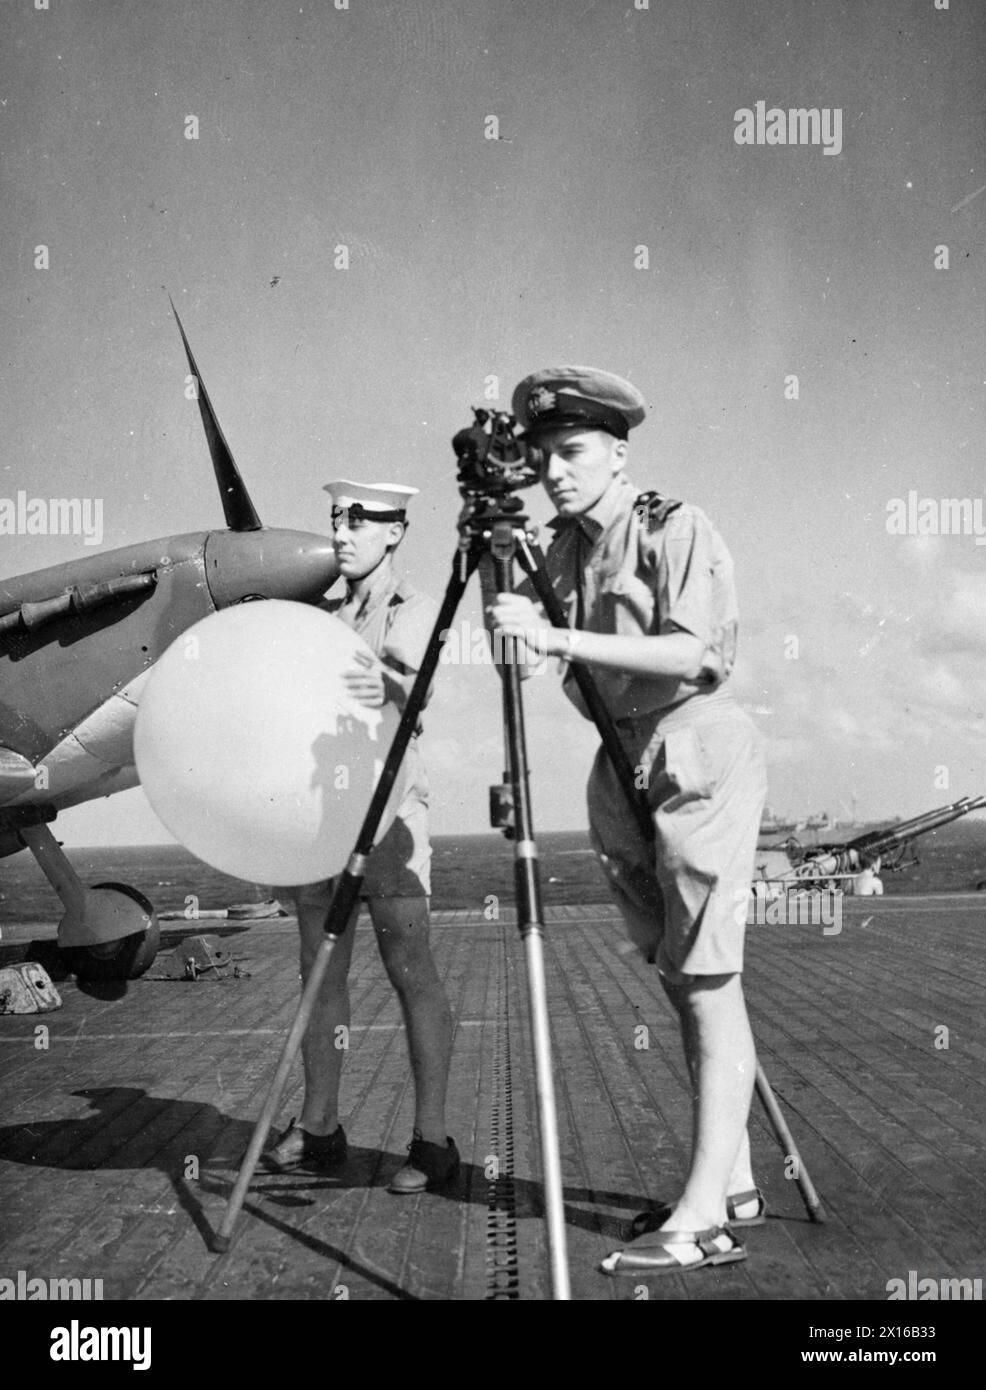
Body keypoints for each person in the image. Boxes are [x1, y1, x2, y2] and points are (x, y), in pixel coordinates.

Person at [486, 367, 768, 1273]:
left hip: (693, 748)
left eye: (570, 452)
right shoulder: (560, 550)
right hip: (620, 759)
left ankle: (699, 1220)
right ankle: (737, 1176)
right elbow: (530, 663)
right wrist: (513, 598)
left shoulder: (671, 525)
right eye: (541, 458)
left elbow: (695, 654)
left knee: (707, 976)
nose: (554, 472)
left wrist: (560, 635)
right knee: (682, 975)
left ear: (617, 450)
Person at [265, 480, 459, 1194]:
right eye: (337, 518)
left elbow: (406, 687)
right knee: (319, 974)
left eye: (361, 520)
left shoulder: (412, 608)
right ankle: (319, 1129)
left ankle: (433, 1141)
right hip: (320, 815)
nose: (342, 532)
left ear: (396, 531)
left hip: (388, 815)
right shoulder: (319, 611)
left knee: (410, 969)